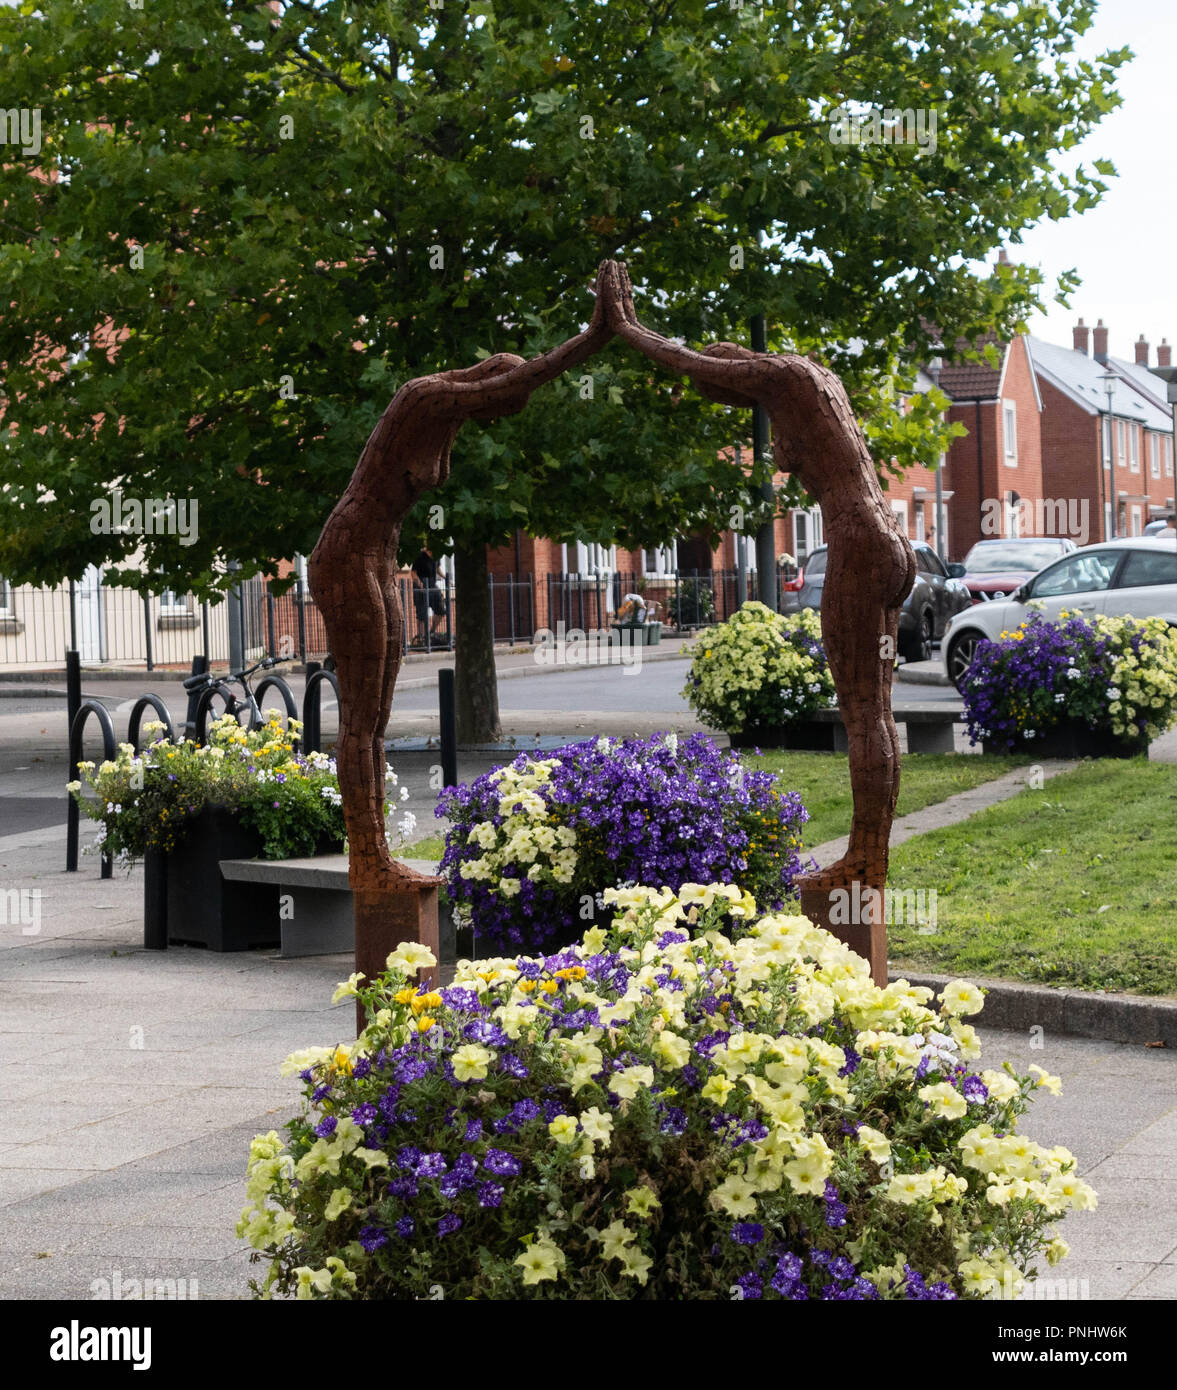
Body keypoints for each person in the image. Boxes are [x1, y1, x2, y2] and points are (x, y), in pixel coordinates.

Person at [411, 545, 447, 642]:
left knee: (441, 611)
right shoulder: (419, 556)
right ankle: (421, 638)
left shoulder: (436, 556)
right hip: (420, 588)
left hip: (432, 587)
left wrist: (446, 578)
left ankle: (431, 633)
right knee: (422, 615)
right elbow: (413, 573)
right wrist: (420, 584)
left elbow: (438, 570)